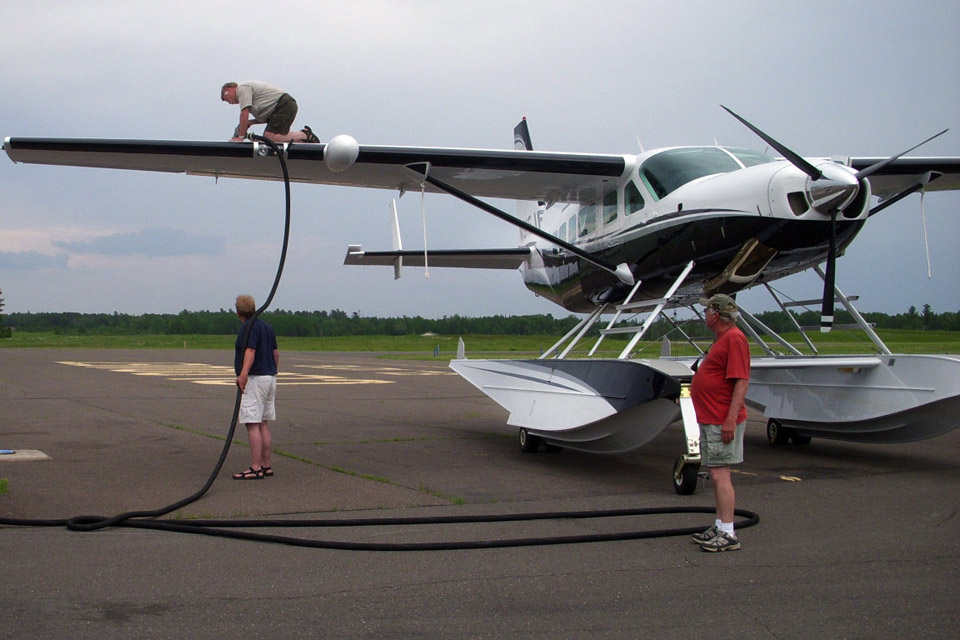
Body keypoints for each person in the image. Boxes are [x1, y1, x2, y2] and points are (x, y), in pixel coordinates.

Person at [689, 293, 751, 552]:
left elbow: (741, 381)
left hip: (720, 419)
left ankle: (728, 532)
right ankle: (720, 524)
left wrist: (729, 420)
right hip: (711, 417)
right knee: (715, 474)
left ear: (716, 314)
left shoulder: (734, 339)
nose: (704, 315)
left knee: (720, 474)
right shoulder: (723, 339)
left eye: (707, 311)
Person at [232, 294, 279, 480]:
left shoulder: (248, 328)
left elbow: (250, 350)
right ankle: (266, 465)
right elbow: (276, 354)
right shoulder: (267, 327)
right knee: (263, 422)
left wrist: (243, 375)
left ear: (238, 312)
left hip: (255, 378)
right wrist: (273, 372)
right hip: (269, 377)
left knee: (252, 423)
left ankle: (255, 467)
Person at [220, 81, 320, 143]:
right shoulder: (252, 100)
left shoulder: (242, 89)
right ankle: (304, 141)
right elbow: (266, 116)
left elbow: (244, 114)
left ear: (229, 89)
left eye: (228, 99)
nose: (231, 103)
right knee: (274, 139)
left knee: (269, 138)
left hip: (283, 104)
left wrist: (240, 137)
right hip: (281, 107)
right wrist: (251, 122)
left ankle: (305, 135)